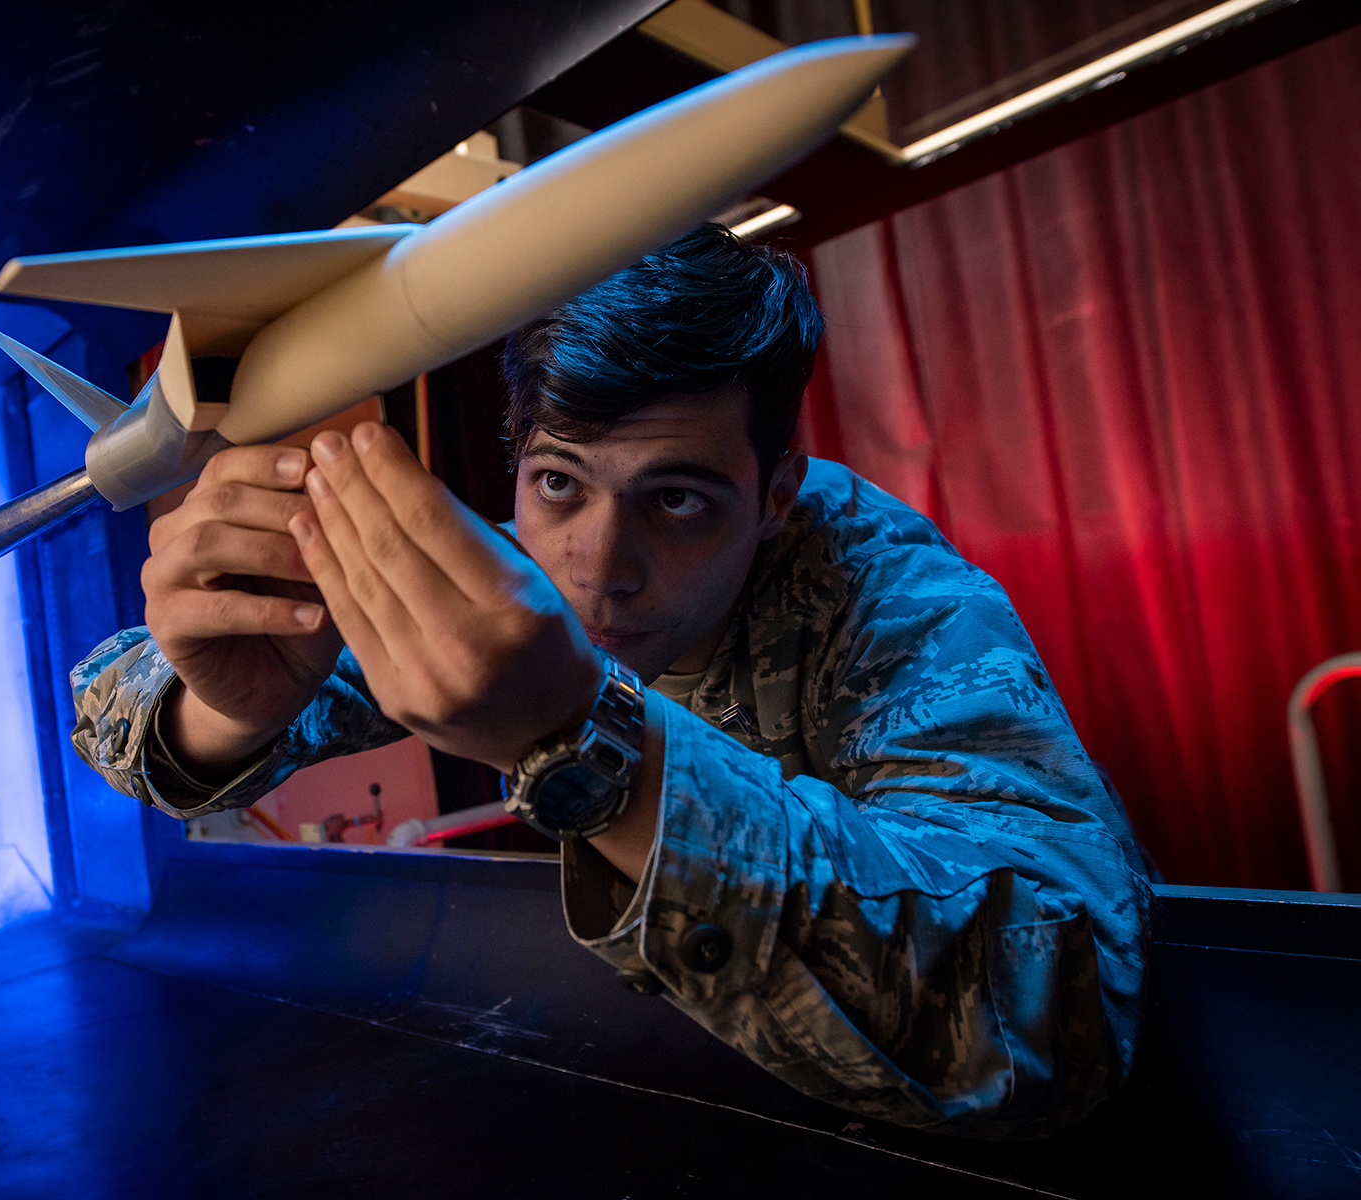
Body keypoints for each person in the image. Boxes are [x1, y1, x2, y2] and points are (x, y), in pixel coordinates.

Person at [69, 225, 1150, 1139]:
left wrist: (585, 745)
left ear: (775, 493)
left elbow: (1059, 1007)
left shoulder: (892, 600)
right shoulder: (521, 568)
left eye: (676, 500)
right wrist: (223, 707)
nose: (596, 564)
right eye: (558, 482)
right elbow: (109, 699)